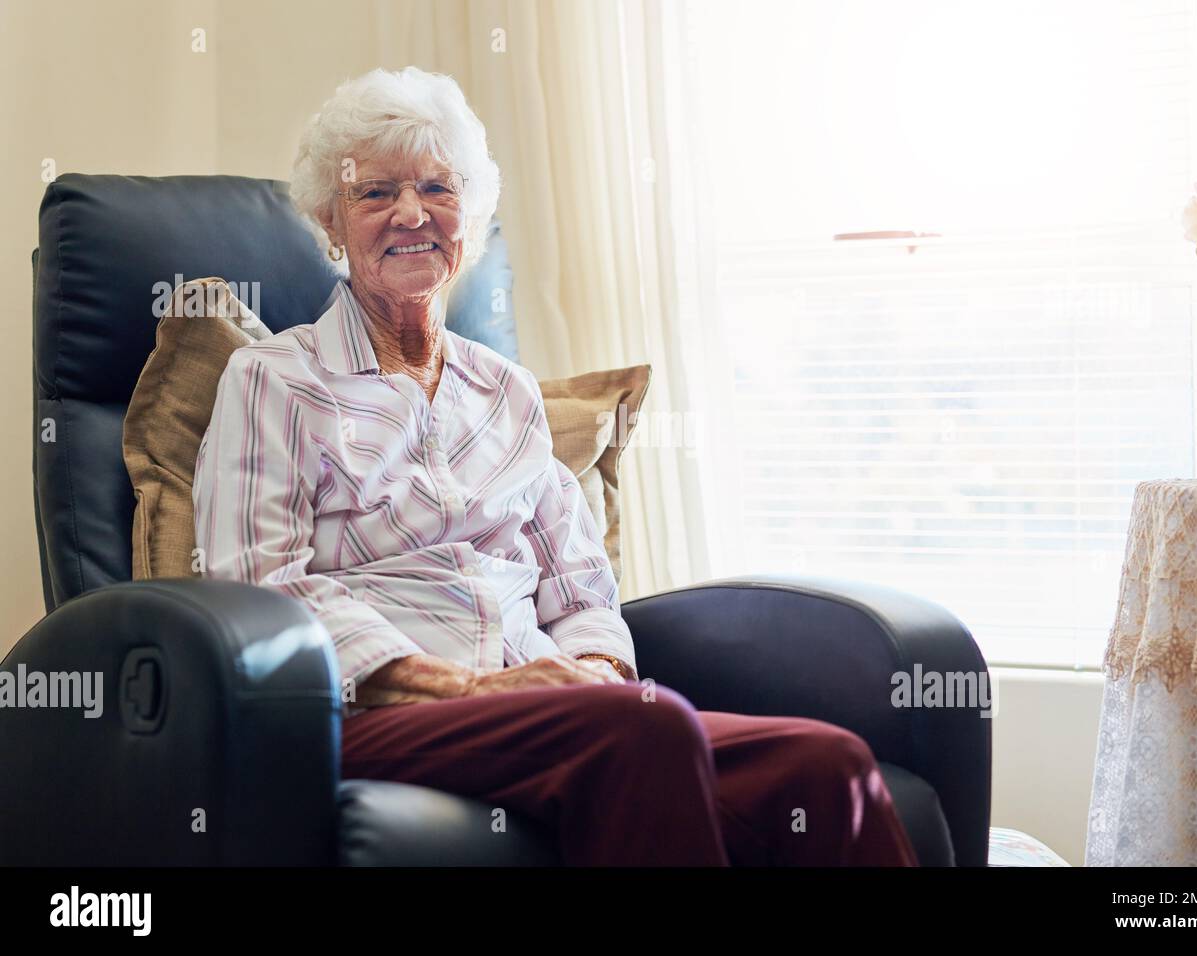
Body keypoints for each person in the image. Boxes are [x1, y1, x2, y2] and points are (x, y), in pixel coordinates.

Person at [192, 65, 917, 866]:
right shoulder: (275, 380)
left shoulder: (507, 392)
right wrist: (463, 688)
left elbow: (580, 588)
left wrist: (595, 673)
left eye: (437, 187)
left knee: (826, 768)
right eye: (375, 193)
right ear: (331, 223)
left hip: (548, 710)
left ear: (469, 215)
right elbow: (259, 591)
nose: (410, 213)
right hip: (375, 713)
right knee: (645, 727)